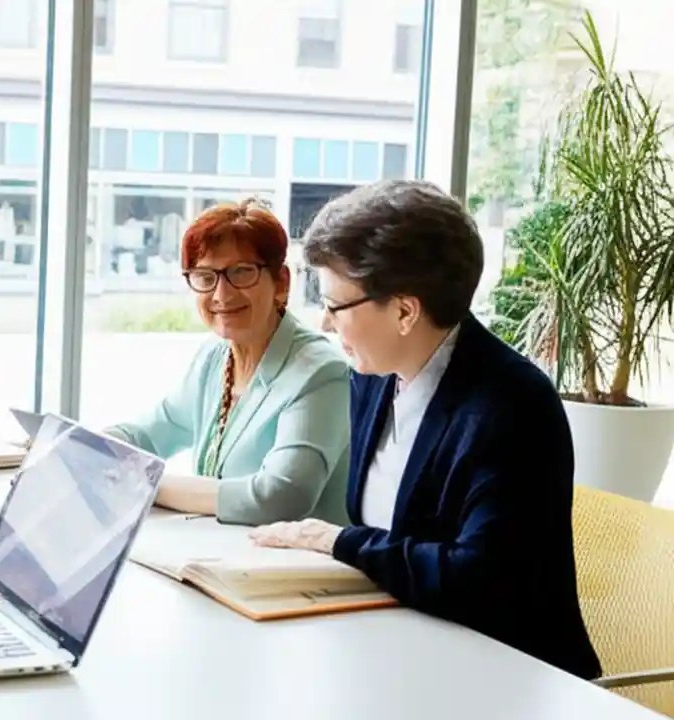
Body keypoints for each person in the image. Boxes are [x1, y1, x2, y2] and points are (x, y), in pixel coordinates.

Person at [249, 180, 601, 680]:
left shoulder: (512, 406)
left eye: (335, 306)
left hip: (510, 676)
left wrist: (339, 541)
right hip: (407, 651)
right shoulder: (374, 374)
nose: (325, 324)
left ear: (404, 311)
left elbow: (476, 579)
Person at [107, 199, 351, 526]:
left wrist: (149, 482)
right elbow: (150, 435)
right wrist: (85, 446)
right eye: (205, 276)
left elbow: (280, 497)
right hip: (224, 550)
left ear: (281, 282)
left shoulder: (321, 372)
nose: (222, 294)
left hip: (298, 557)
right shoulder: (215, 356)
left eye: (241, 272)